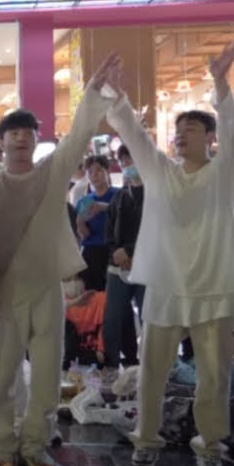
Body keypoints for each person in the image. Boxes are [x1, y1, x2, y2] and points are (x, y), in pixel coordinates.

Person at [105, 40, 234, 466]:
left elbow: (232, 130)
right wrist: (117, 95)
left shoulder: (224, 174)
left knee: (214, 372)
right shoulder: (161, 172)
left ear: (208, 139)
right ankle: (147, 439)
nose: (181, 134)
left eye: (191, 128)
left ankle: (209, 443)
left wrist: (221, 84)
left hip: (213, 284)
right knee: (153, 368)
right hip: (168, 282)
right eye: (178, 129)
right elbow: (133, 133)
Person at [0, 53, 120, 466]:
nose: (21, 139)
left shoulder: (51, 171)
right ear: (2, 141)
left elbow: (79, 135)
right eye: (14, 134)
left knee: (46, 373)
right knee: (3, 374)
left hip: (47, 286)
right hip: (5, 288)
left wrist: (93, 92)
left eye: (28, 133)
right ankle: (2, 444)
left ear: (36, 139)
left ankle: (35, 444)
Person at [100, 145, 144, 370]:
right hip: (118, 267)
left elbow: (157, 230)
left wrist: (131, 251)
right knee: (113, 319)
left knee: (150, 318)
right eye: (124, 160)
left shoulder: (156, 194)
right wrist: (118, 255)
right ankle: (112, 365)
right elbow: (109, 234)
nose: (128, 164)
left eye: (131, 159)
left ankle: (152, 367)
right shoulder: (119, 196)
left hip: (147, 267)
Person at [75, 155, 117, 292]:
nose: (94, 175)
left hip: (114, 252)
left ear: (107, 171)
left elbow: (128, 219)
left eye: (99, 170)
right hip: (91, 253)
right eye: (90, 172)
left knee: (113, 295)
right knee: (93, 295)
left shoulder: (118, 195)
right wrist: (80, 222)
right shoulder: (85, 201)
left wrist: (104, 207)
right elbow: (85, 235)